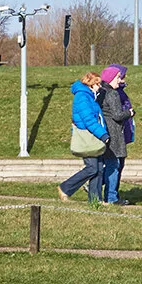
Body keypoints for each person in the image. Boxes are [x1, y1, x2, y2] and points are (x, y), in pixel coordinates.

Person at [59, 71, 108, 202]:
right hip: (88, 137)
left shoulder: (90, 97)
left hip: (93, 136)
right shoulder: (82, 97)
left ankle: (95, 200)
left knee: (98, 168)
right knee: (92, 168)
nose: (99, 86)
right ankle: (65, 188)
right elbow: (89, 120)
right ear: (91, 84)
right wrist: (103, 134)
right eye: (97, 83)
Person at [98, 64, 134, 206]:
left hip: (106, 132)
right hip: (114, 134)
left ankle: (101, 191)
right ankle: (111, 197)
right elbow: (118, 115)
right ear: (112, 78)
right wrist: (130, 113)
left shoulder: (102, 91)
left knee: (109, 164)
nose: (120, 80)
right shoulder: (112, 93)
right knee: (114, 165)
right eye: (118, 77)